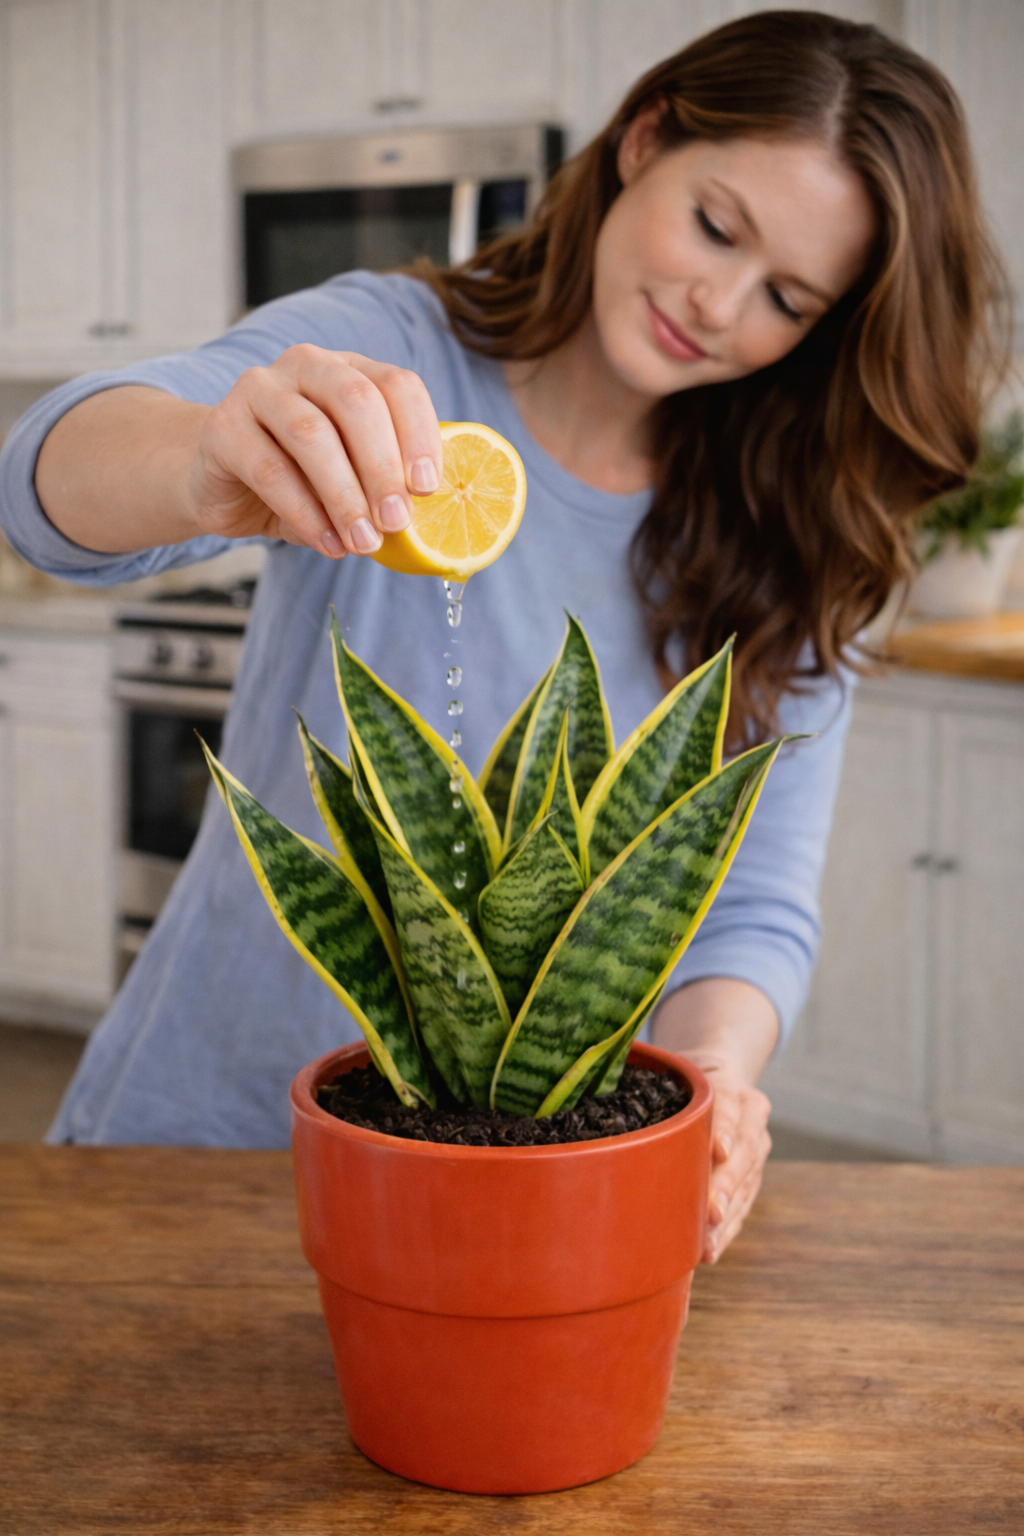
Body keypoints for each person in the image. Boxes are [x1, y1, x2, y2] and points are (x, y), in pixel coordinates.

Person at [0, 11, 1007, 1262]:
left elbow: (750, 910)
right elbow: (48, 484)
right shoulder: (399, 354)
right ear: (645, 139)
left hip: (517, 1218)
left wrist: (713, 1083)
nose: (718, 299)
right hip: (191, 1148)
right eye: (716, 226)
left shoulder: (791, 543)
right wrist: (204, 460)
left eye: (788, 298)